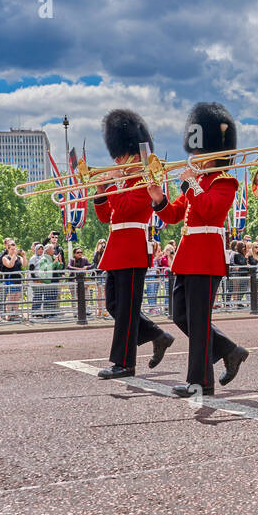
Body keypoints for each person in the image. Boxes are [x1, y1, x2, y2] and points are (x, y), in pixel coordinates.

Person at [149, 102, 249, 396]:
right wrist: (158, 199)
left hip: (206, 256)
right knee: (180, 314)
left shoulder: (225, 182)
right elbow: (173, 215)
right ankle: (229, 350)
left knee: (198, 320)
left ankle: (200, 381)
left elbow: (207, 210)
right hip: (187, 256)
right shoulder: (198, 183)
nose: (192, 158)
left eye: (197, 153)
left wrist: (192, 182)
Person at [91, 109, 174, 379]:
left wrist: (113, 185)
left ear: (136, 156)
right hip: (117, 248)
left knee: (126, 310)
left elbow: (127, 208)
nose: (116, 160)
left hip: (133, 248)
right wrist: (101, 191)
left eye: (121, 156)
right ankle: (156, 334)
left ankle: (124, 363)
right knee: (114, 306)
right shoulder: (124, 181)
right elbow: (106, 216)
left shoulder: (144, 181)